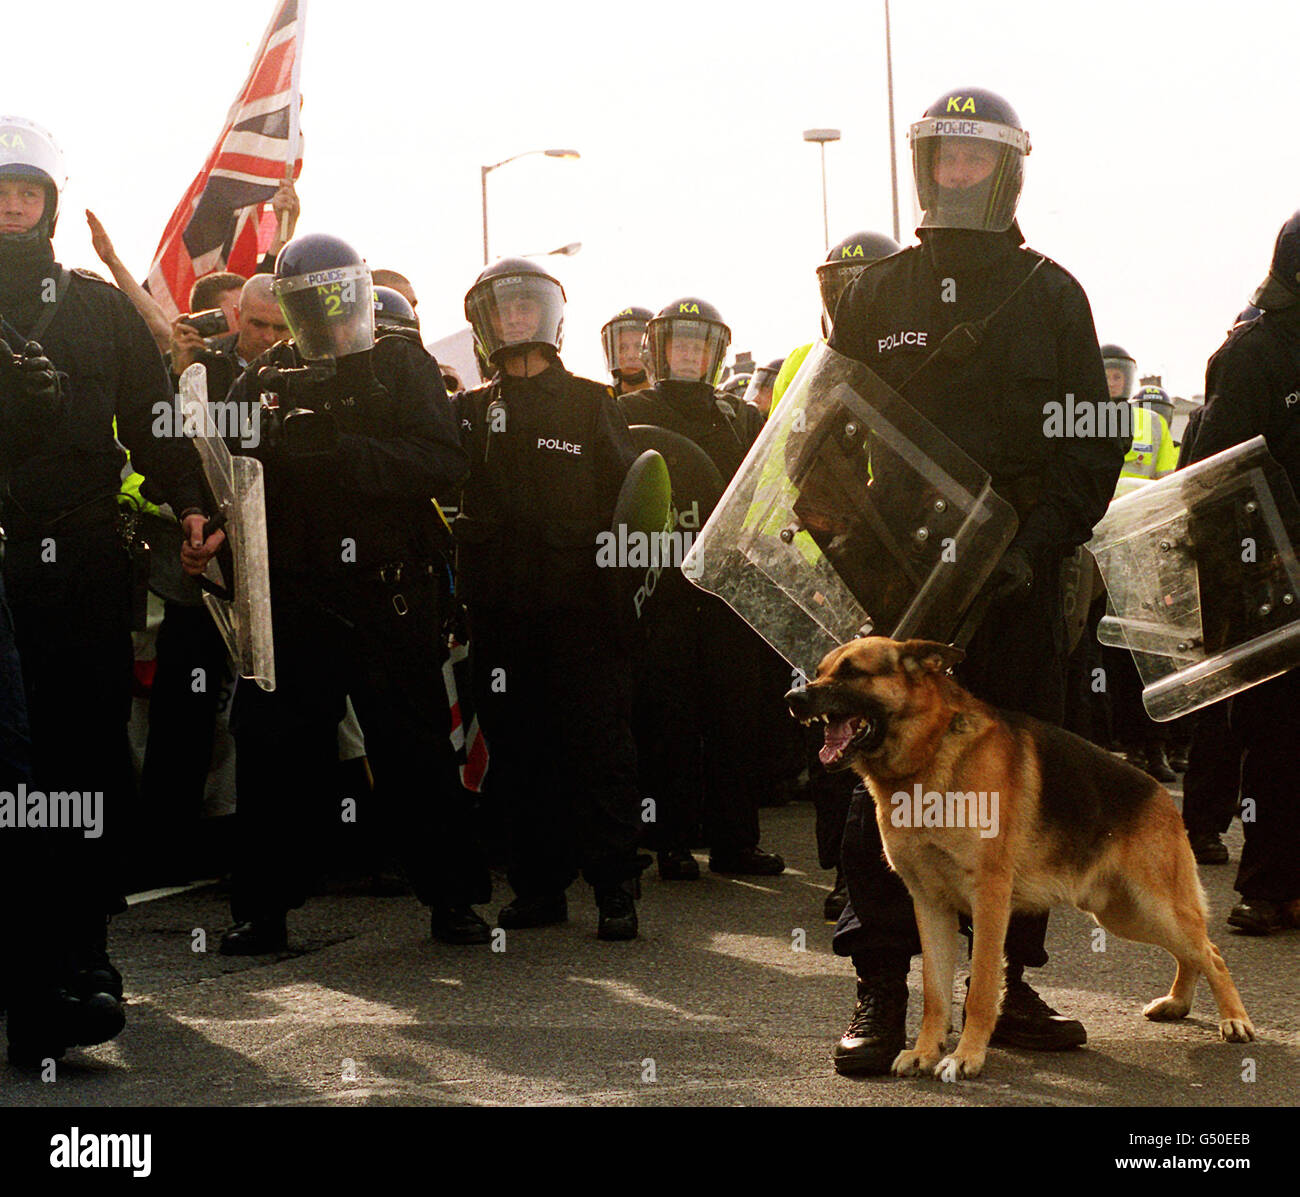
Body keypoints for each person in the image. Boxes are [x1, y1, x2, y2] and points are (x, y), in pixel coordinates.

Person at [824, 88, 1126, 1074]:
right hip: (903, 590)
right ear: (923, 168)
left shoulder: (1051, 293)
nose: (953, 174)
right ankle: (881, 984)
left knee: (1009, 796)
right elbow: (825, 433)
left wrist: (1035, 550)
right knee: (885, 786)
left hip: (1016, 587)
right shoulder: (877, 293)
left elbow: (1091, 444)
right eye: (939, 158)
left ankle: (1011, 979)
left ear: (1003, 171)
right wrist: (840, 527)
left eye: (970, 159)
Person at [183, 232, 491, 953]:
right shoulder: (263, 378)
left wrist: (345, 453)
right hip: (293, 596)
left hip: (387, 596)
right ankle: (263, 908)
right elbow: (215, 468)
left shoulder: (398, 363)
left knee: (414, 752)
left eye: (333, 294)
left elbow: (442, 462)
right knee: (274, 756)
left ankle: (452, 899)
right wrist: (204, 518)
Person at [0, 115, 214, 1061]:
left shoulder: (94, 307)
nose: (11, 207)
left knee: (81, 766)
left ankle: (81, 953)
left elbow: (157, 418)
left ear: (50, 202)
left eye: (27, 193)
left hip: (83, 569)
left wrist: (197, 504)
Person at [453, 257, 646, 939]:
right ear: (486, 322)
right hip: (503, 617)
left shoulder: (594, 403)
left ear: (548, 315)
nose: (517, 319)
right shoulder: (469, 412)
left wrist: (626, 598)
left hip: (584, 615)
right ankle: (539, 886)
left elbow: (636, 506)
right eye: (503, 310)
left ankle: (616, 886)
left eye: (526, 307)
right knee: (518, 753)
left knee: (600, 750)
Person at [619, 298, 788, 880]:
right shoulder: (625, 411)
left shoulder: (741, 418)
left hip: (726, 592)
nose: (689, 354)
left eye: (699, 345)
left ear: (713, 354)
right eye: (679, 344)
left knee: (734, 718)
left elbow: (769, 490)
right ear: (658, 349)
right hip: (660, 589)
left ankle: (735, 842)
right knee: (666, 719)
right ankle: (668, 842)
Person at [1183, 209, 1300, 935]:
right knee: (1278, 738)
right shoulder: (1254, 351)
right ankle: (1269, 885)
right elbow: (1214, 473)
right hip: (1274, 581)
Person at [600, 305, 654, 395]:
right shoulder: (602, 402)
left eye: (640, 347)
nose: (631, 355)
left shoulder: (672, 403)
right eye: (622, 348)